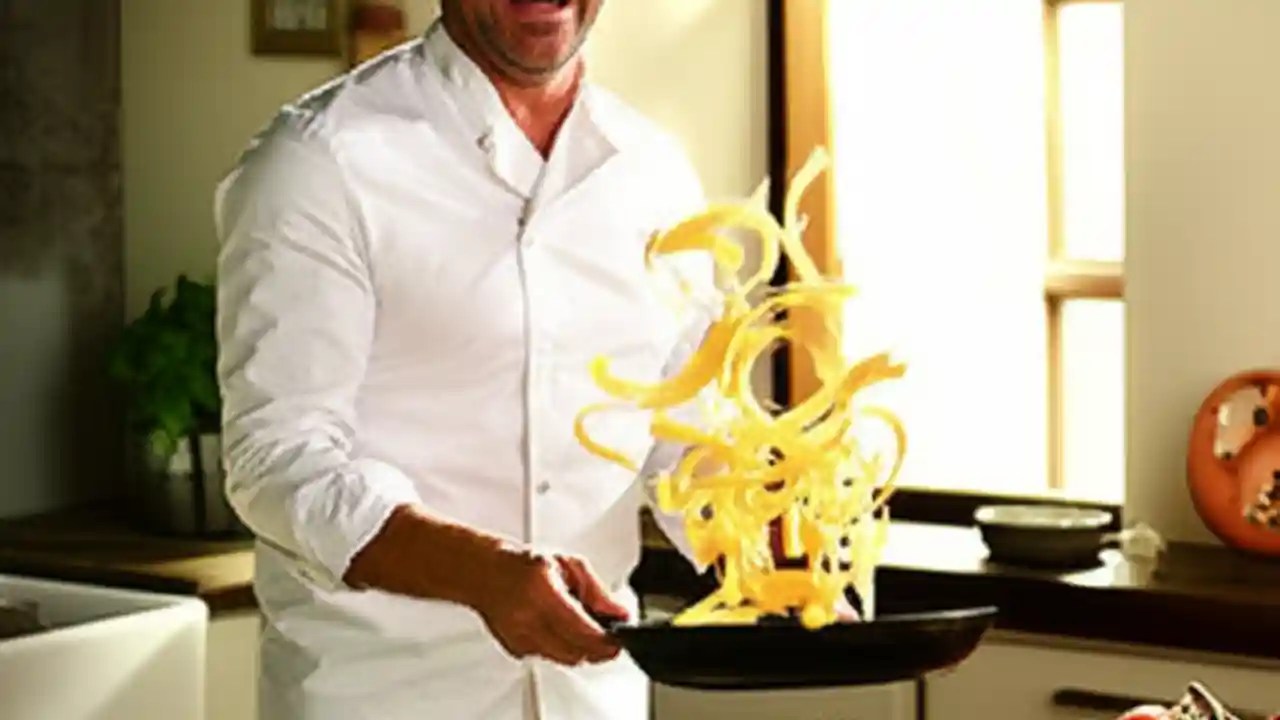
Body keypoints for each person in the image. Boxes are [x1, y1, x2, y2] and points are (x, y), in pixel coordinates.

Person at [213, 1, 714, 718]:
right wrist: (483, 573)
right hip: (381, 699)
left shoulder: (656, 172)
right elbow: (277, 460)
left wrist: (778, 556)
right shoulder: (319, 162)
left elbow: (686, 435)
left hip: (593, 701)